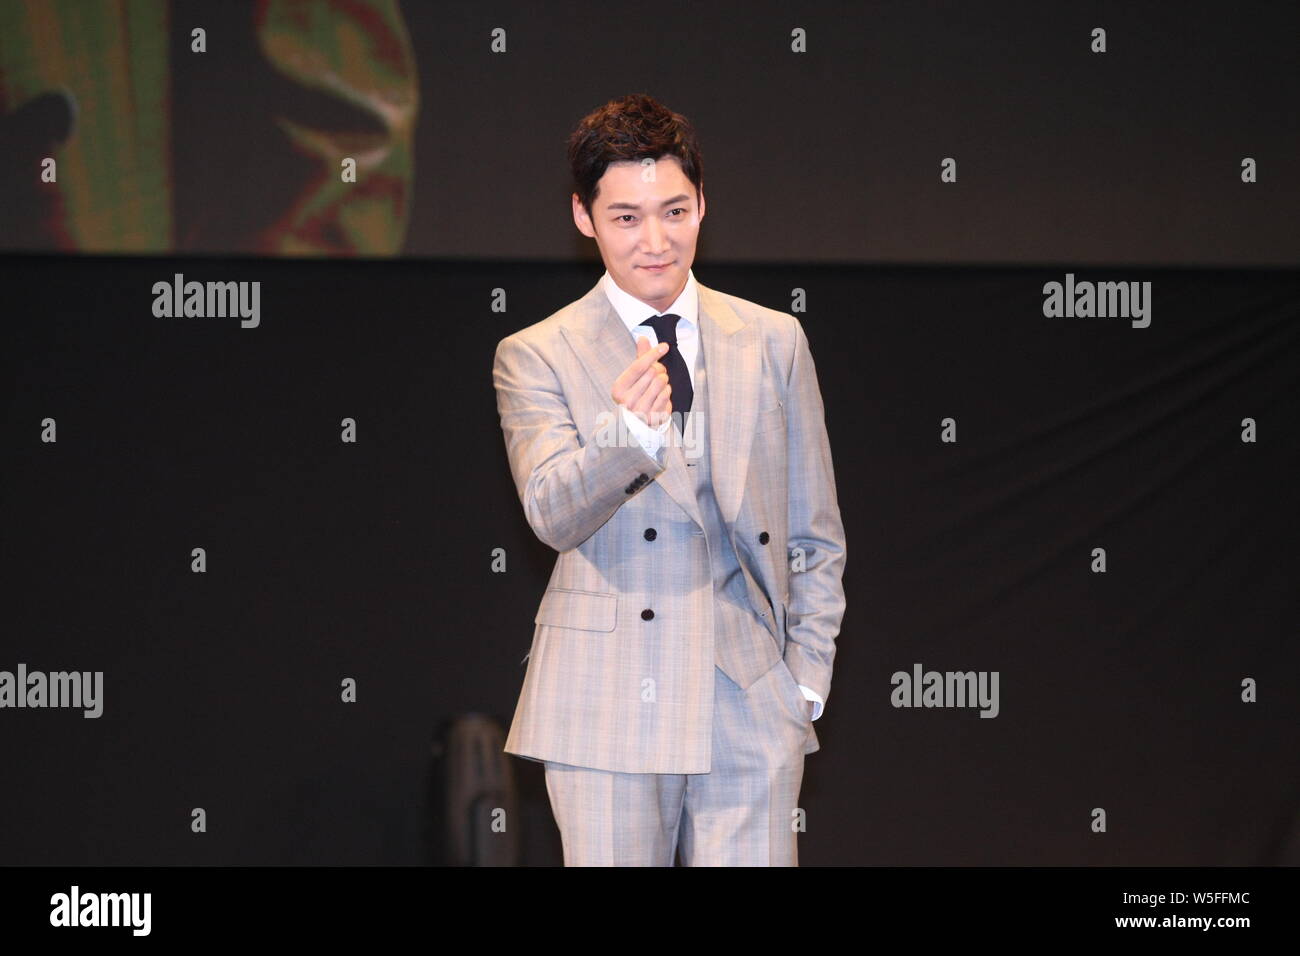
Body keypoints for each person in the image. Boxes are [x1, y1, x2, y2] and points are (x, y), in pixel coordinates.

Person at [492, 93, 846, 865]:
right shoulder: (536, 352)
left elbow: (813, 531)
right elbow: (550, 513)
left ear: (702, 206)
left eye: (674, 211)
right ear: (584, 217)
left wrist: (804, 684)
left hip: (748, 698)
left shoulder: (771, 339)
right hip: (606, 695)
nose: (655, 241)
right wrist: (631, 438)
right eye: (625, 217)